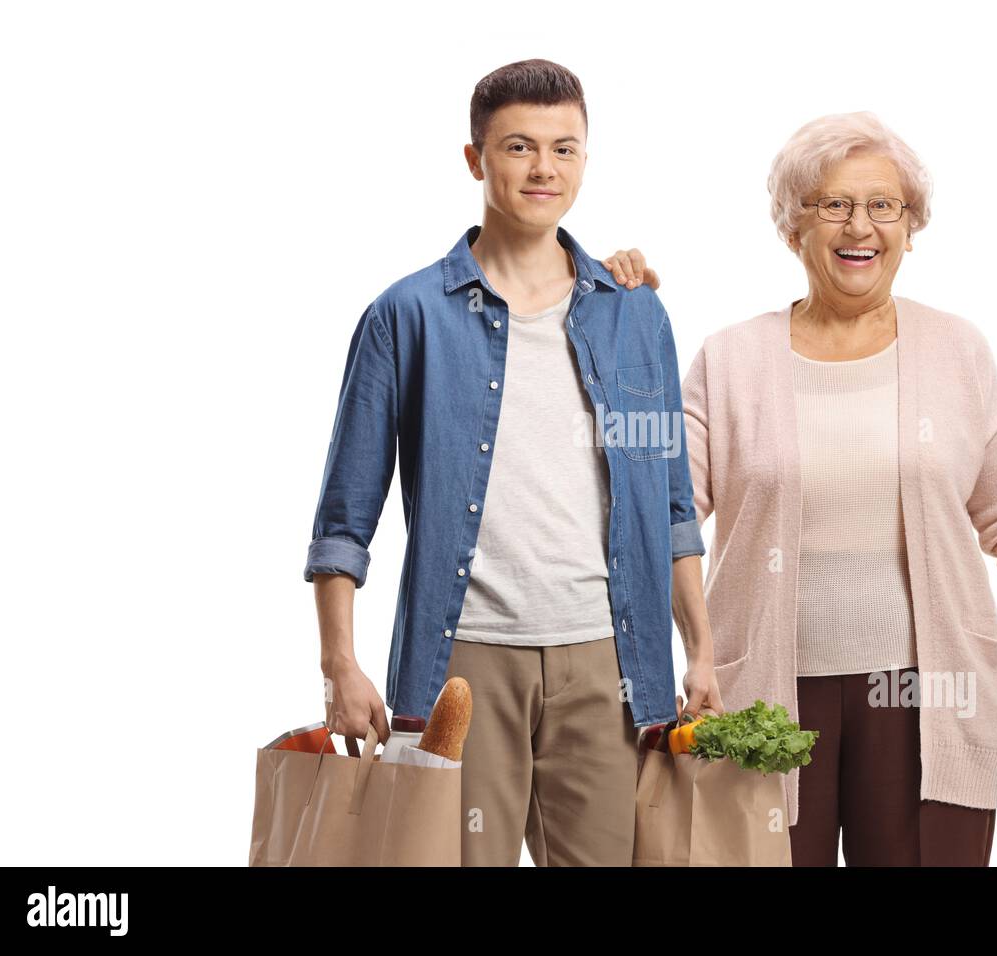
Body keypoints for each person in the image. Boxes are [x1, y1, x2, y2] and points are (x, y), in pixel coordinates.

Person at [604, 111, 997, 866]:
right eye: (833, 205)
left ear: (911, 227)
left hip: (922, 693)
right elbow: (655, 509)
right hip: (766, 689)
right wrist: (615, 325)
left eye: (885, 205)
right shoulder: (731, 360)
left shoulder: (956, 351)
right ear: (794, 227)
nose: (862, 226)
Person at [303, 59, 720, 867]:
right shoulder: (406, 316)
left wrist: (699, 647)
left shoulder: (636, 315)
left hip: (609, 658)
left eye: (564, 149)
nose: (543, 170)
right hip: (463, 660)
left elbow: (671, 506)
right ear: (475, 159)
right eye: (520, 147)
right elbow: (345, 519)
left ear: (586, 160)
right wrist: (339, 665)